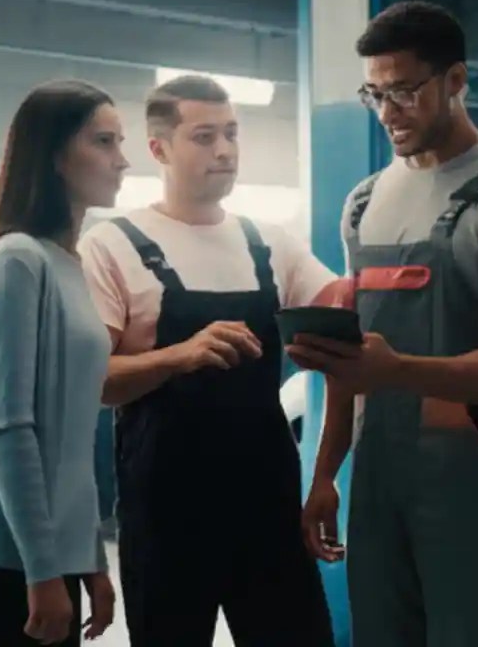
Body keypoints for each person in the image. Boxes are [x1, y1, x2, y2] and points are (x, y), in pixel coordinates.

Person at [288, 0, 478, 647]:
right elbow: (352, 359)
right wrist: (327, 471)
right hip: (380, 481)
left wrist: (398, 370)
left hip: (477, 480)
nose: (388, 112)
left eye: (404, 91)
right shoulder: (363, 203)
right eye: (374, 94)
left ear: (455, 81)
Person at [78, 75, 339, 647]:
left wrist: (323, 473)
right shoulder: (111, 245)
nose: (224, 150)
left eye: (231, 134)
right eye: (204, 137)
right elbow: (90, 384)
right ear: (159, 149)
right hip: (166, 512)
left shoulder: (271, 243)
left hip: (267, 508)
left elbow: (344, 341)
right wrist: (180, 355)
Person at [0, 80, 127, 647]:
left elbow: (72, 443)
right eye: (103, 142)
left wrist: (90, 558)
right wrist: (43, 571)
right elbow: (7, 427)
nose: (121, 160)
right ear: (54, 156)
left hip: (50, 558)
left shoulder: (70, 264)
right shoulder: (16, 260)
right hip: (1, 557)